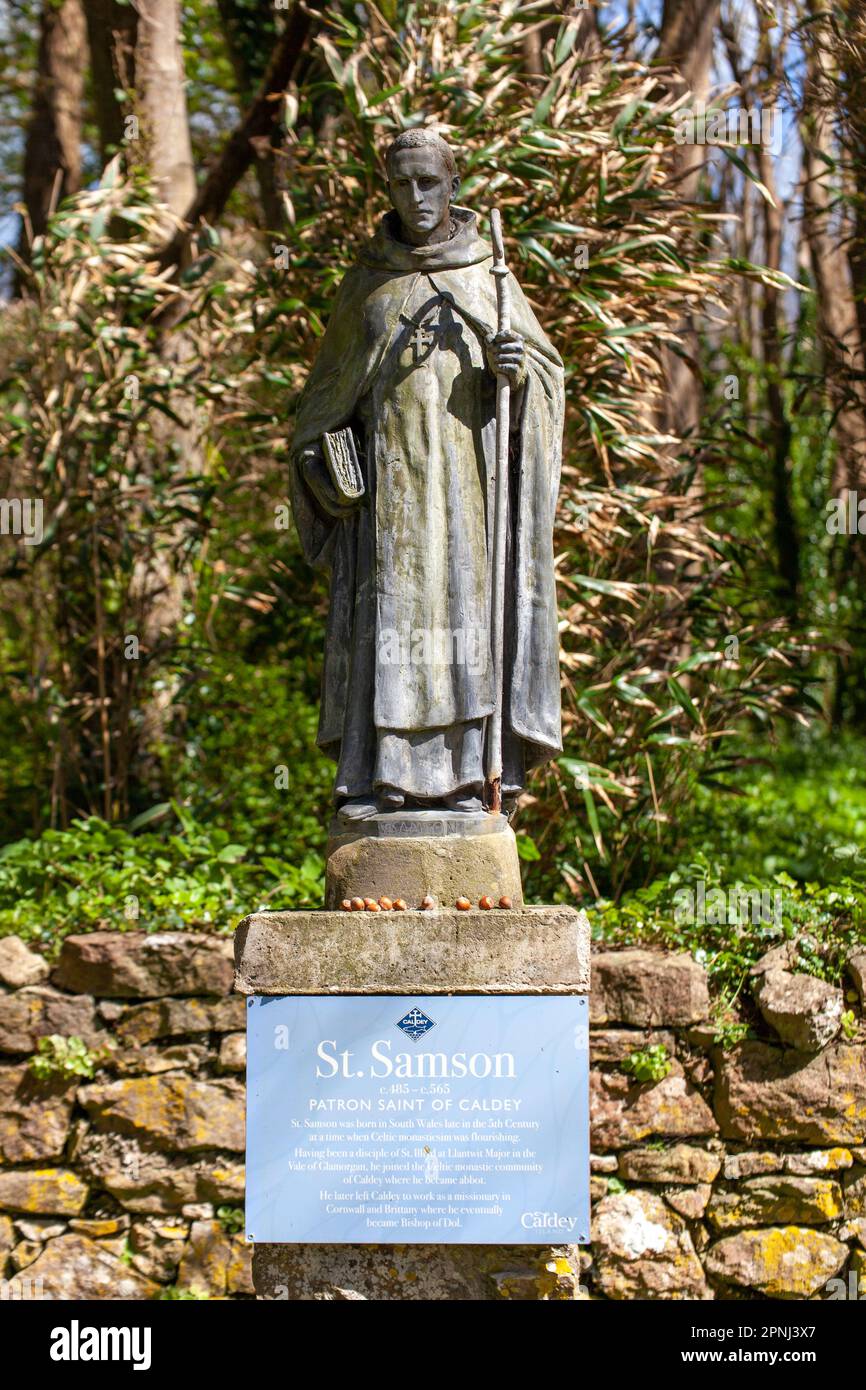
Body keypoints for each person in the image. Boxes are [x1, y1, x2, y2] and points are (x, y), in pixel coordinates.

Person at [290, 128, 564, 821]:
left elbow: (544, 377)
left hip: (467, 492)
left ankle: (472, 779)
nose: (416, 196)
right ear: (388, 190)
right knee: (386, 620)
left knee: (466, 619)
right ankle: (378, 776)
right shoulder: (367, 284)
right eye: (402, 183)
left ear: (453, 184)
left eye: (429, 182)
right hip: (389, 499)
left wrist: (516, 373)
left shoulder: (488, 276)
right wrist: (325, 460)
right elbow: (322, 401)